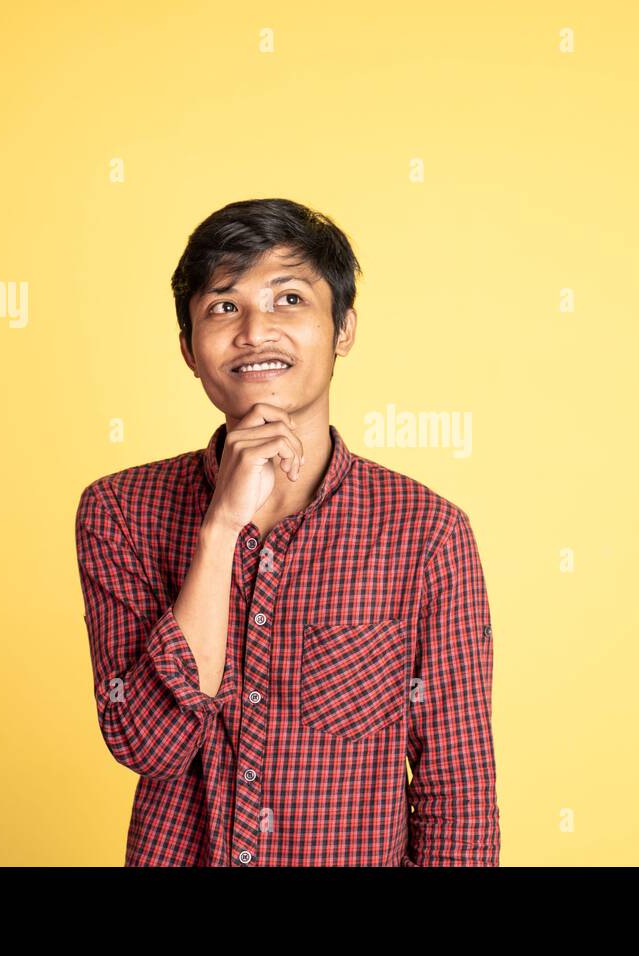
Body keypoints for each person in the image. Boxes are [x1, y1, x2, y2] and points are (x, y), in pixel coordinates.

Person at [74, 198, 500, 866]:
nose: (254, 332)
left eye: (289, 299)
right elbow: (150, 745)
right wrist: (220, 528)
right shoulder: (120, 512)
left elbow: (458, 796)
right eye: (223, 307)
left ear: (343, 329)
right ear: (189, 349)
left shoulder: (427, 534)